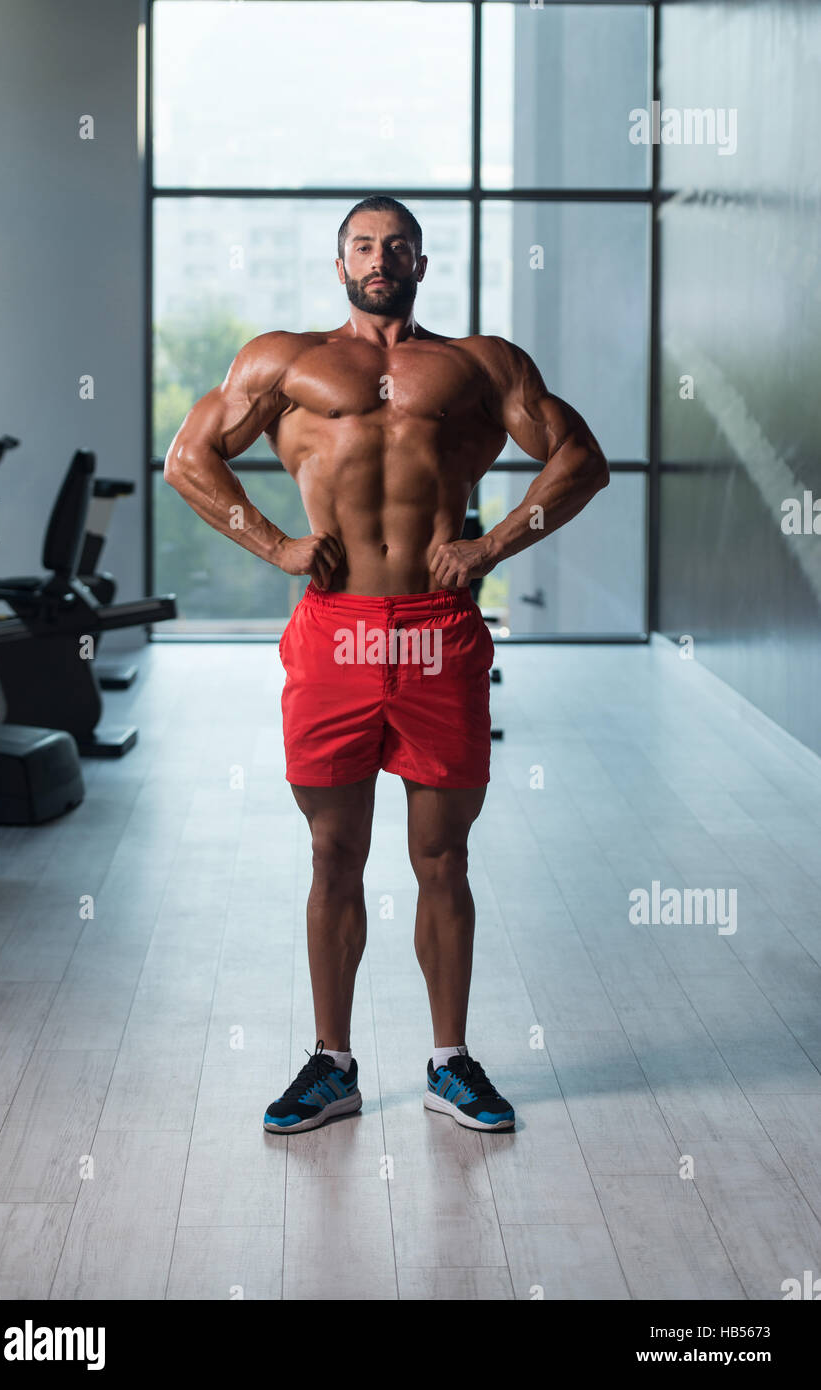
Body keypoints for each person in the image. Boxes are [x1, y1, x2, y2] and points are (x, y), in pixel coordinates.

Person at [164, 195, 608, 1135]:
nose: (380, 257)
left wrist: (489, 553)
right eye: (362, 245)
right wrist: (276, 544)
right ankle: (333, 1064)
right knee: (333, 853)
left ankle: (449, 1063)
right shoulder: (283, 360)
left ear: (419, 259)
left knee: (442, 855)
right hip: (335, 630)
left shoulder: (480, 365)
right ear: (340, 265)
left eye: (395, 244)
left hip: (439, 632)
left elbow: (579, 459)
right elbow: (189, 459)